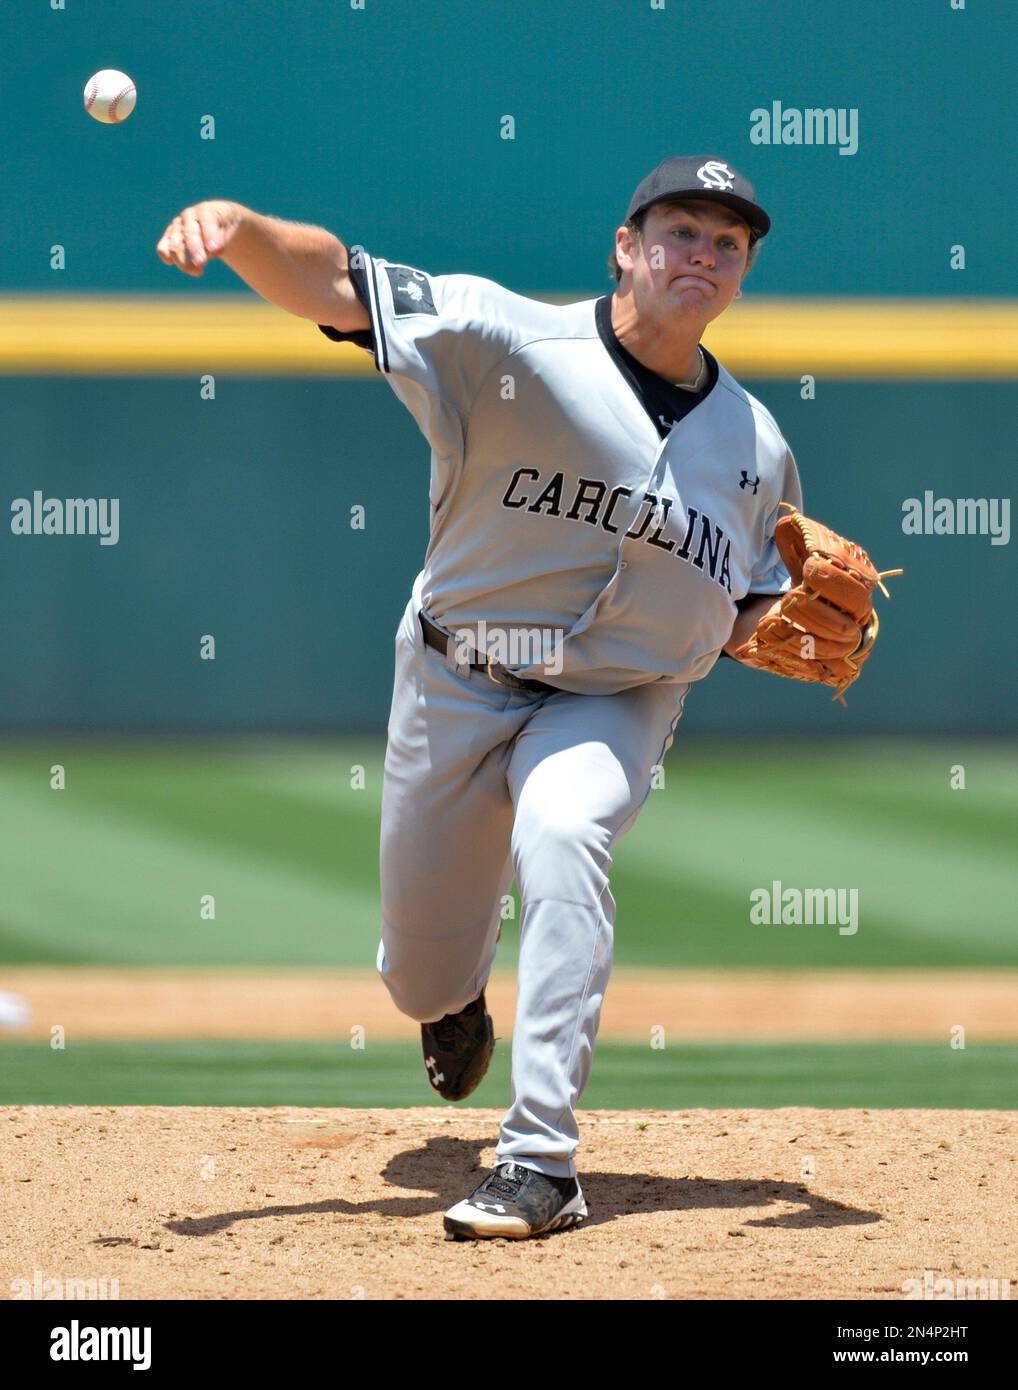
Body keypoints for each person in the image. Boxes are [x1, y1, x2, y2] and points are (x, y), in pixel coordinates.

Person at [157, 155, 802, 1242]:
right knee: (415, 968)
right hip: (456, 674)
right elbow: (339, 288)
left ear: (740, 272)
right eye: (679, 230)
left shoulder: (757, 444)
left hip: (615, 697)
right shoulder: (506, 341)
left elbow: (757, 607)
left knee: (564, 830)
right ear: (624, 246)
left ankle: (540, 1160)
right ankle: (450, 1001)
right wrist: (244, 228)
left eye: (725, 242)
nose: (701, 253)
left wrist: (785, 633)